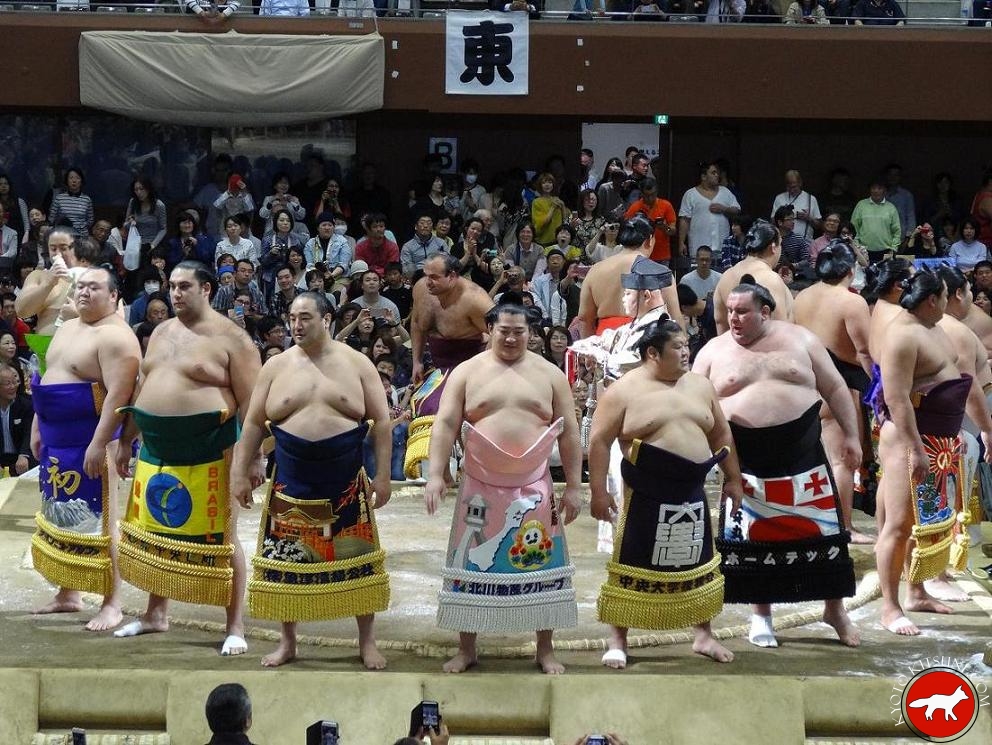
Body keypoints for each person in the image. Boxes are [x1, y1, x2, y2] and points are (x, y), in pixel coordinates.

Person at [693, 282, 860, 649]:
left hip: (803, 452)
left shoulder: (802, 340)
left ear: (765, 312)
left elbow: (835, 388)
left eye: (742, 311)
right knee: (755, 540)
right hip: (745, 457)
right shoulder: (711, 352)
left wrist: (851, 436)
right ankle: (761, 615)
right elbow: (695, 407)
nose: (733, 319)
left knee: (826, 533)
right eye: (730, 311)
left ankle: (835, 610)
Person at [232, 292, 391, 668]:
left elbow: (382, 423)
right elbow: (254, 423)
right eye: (292, 318)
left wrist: (383, 476)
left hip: (346, 479)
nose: (296, 325)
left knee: (357, 560)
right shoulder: (276, 367)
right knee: (288, 564)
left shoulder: (358, 364)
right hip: (291, 476)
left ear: (328, 318)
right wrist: (240, 472)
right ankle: (288, 642)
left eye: (305, 318)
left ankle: (367, 642)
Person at [113, 261, 264, 655]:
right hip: (156, 447)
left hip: (211, 446)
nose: (176, 293)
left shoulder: (234, 339)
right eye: (172, 286)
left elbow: (252, 403)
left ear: (207, 290)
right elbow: (144, 386)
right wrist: (126, 439)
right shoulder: (161, 332)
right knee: (156, 533)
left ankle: (235, 625)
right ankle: (155, 614)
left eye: (184, 286)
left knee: (223, 537)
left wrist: (254, 460)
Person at [424, 301, 581, 674]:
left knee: (542, 564)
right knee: (469, 565)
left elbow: (570, 432)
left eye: (519, 331)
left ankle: (544, 649)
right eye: (503, 330)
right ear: (488, 331)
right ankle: (467, 649)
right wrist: (435, 473)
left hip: (534, 485)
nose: (511, 337)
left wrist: (574, 485)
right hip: (480, 484)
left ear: (531, 333)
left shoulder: (550, 374)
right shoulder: (466, 372)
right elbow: (445, 424)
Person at [589, 318, 743, 667]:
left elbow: (721, 435)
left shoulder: (700, 386)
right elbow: (599, 441)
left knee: (697, 560)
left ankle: (703, 635)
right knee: (631, 560)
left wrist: (733, 479)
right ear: (652, 353)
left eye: (687, 344)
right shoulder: (624, 390)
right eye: (678, 346)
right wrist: (598, 492)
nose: (687, 351)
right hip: (645, 489)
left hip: (691, 488)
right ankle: (618, 639)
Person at [870, 269, 992, 635]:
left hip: (940, 439)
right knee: (899, 524)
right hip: (912, 439)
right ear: (932, 300)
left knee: (927, 523)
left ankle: (917, 591)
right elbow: (896, 399)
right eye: (945, 296)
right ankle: (890, 608)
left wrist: (984, 429)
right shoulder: (902, 336)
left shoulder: (934, 327)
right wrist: (916, 448)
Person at [30, 267, 141, 631]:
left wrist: (100, 442)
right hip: (56, 439)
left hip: (90, 441)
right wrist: (38, 425)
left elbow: (119, 398)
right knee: (62, 517)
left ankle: (113, 602)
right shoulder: (70, 327)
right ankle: (69, 592)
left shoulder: (116, 338)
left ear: (113, 297)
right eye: (80, 286)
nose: (84, 292)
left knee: (100, 523)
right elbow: (50, 376)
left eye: (95, 288)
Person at [793, 241, 875, 544]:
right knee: (843, 459)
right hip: (840, 384)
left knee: (813, 457)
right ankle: (844, 528)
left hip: (805, 381)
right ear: (850, 271)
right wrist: (879, 388)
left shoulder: (802, 296)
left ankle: (814, 521)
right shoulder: (851, 301)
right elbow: (865, 353)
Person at [406, 254, 492, 479]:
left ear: (452, 276)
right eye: (426, 276)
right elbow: (417, 323)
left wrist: (486, 369)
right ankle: (441, 474)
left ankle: (471, 472)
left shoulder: (475, 298)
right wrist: (416, 360)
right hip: (437, 365)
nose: (428, 282)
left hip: (471, 366)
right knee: (428, 407)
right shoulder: (421, 290)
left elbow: (499, 332)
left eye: (434, 277)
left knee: (464, 415)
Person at [578, 216, 679, 339]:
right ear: (650, 240)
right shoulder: (660, 272)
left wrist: (590, 352)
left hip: (605, 344)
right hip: (645, 346)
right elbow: (675, 318)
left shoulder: (595, 270)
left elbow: (584, 319)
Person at [712, 219, 793, 334]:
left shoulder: (726, 276)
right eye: (780, 244)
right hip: (768, 350)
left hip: (731, 349)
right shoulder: (770, 279)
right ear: (773, 247)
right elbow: (779, 329)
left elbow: (720, 322)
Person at [678, 161, 741, 262]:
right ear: (703, 176)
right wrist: (681, 242)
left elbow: (737, 210)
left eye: (717, 173)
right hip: (698, 248)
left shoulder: (725, 192)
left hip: (722, 248)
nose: (717, 175)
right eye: (713, 173)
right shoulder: (690, 194)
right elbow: (684, 220)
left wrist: (724, 209)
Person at [0, 363, 33, 474]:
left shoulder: (25, 405)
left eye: (15, 382)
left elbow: (28, 433)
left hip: (19, 458)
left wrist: (23, 455)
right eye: (8, 383)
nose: (13, 386)